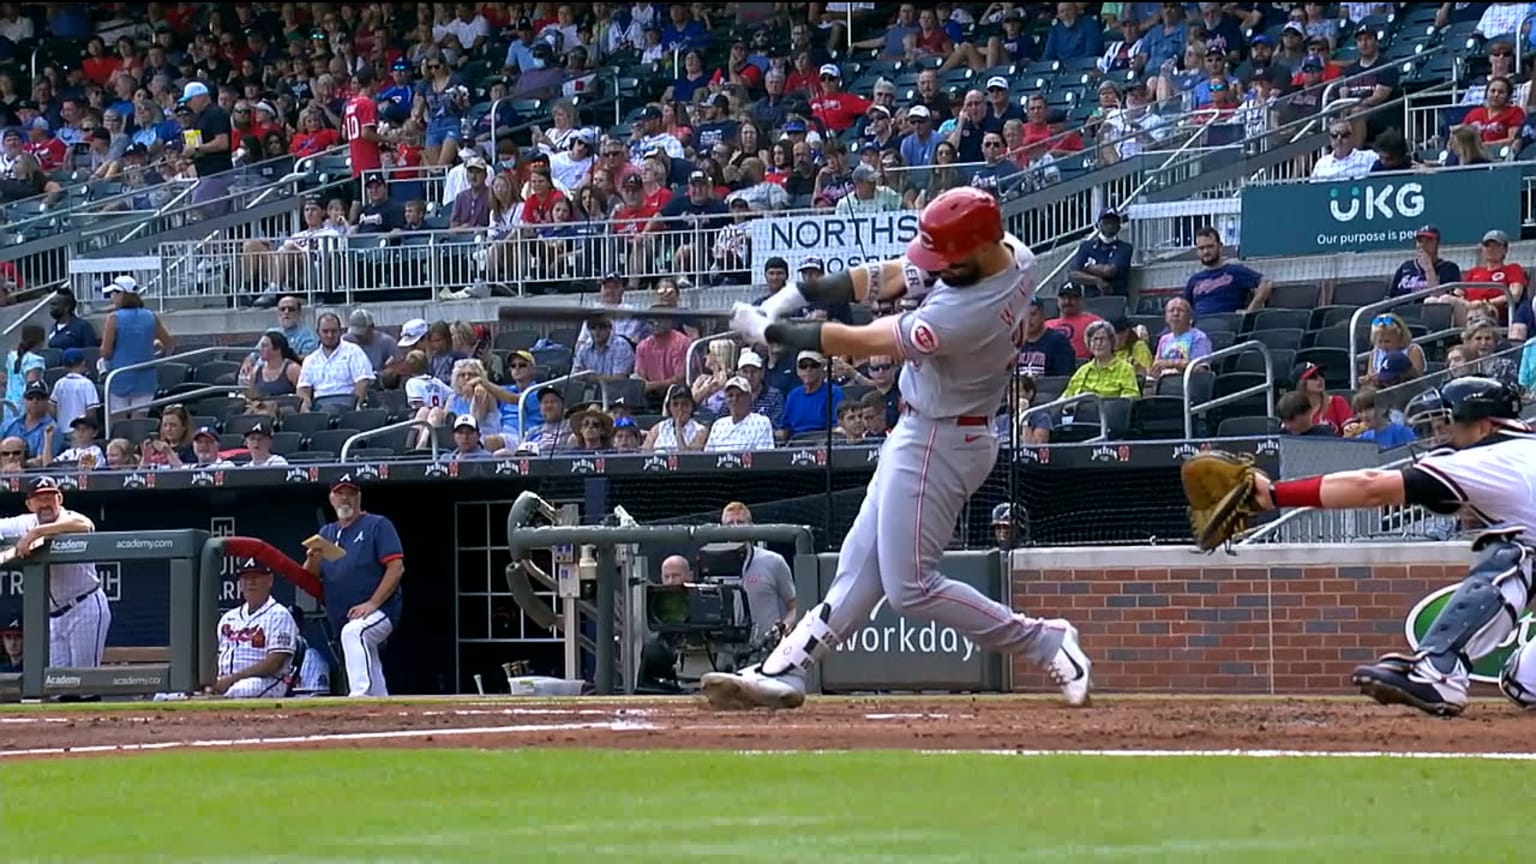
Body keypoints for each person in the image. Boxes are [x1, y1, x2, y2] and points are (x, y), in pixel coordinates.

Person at [704, 186, 1091, 711]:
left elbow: (869, 341)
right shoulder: (1010, 252)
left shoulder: (966, 312)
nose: (937, 266)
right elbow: (888, 275)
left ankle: (1043, 639)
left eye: (947, 259)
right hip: (926, 429)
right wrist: (793, 295)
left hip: (943, 437)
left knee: (909, 586)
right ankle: (789, 666)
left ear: (976, 250)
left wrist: (779, 332)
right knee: (860, 568)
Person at [1248, 377, 1536, 717]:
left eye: (1449, 424)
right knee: (1524, 681)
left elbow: (1371, 488)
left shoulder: (1493, 457)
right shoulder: (1521, 449)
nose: (1440, 435)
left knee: (1513, 553)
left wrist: (1276, 495)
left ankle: (1438, 671)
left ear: (1484, 426)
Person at [302, 475, 404, 698]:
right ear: (332, 499)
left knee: (354, 634)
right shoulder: (327, 533)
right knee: (367, 653)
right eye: (340, 494)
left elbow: (396, 568)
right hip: (344, 612)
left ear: (359, 497)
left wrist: (373, 603)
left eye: (350, 494)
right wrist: (312, 558)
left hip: (380, 610)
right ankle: (381, 703)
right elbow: (309, 577)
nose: (345, 499)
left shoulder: (377, 525)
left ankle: (359, 695)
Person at [0, 476, 108, 668]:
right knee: (56, 686)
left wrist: (36, 533)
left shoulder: (67, 517)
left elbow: (85, 524)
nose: (45, 504)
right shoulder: (24, 522)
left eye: (50, 497)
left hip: (84, 606)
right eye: (39, 499)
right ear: (29, 504)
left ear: (60, 499)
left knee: (84, 684)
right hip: (54, 616)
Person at [212, 559, 299, 698]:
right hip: (224, 681)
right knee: (177, 693)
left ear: (270, 580)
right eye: (245, 577)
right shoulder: (228, 617)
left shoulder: (279, 615)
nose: (250, 582)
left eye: (256, 576)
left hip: (267, 681)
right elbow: (216, 655)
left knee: (242, 689)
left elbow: (275, 663)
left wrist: (232, 679)